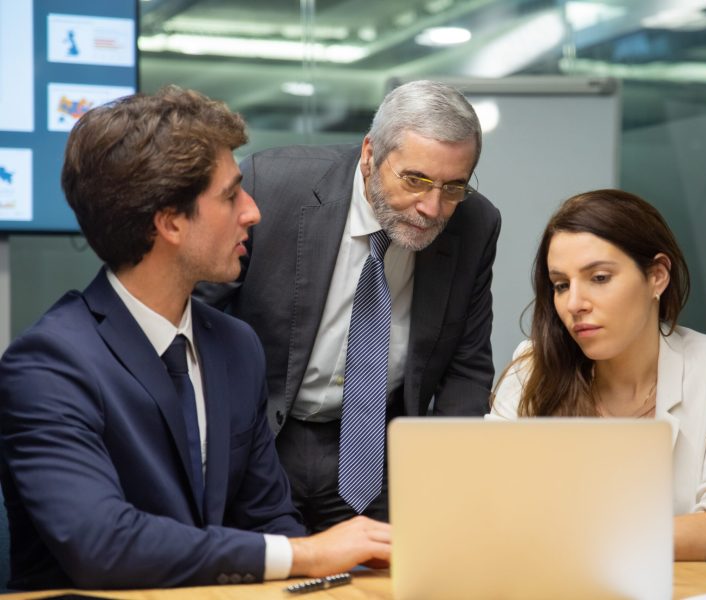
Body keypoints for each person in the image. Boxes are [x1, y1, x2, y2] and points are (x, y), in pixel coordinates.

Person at [0, 86, 390, 591]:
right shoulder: (48, 366)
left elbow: (270, 518)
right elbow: (102, 543)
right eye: (231, 195)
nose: (253, 211)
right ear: (170, 223)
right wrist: (306, 551)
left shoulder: (235, 346)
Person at [196, 80, 501, 531]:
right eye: (415, 180)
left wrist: (444, 483)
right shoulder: (272, 186)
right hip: (261, 437)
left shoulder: (475, 224)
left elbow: (466, 367)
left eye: (453, 187)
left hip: (374, 452)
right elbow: (198, 315)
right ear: (369, 154)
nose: (433, 208)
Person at [489, 189, 706, 570]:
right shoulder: (532, 367)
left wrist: (588, 538)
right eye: (561, 284)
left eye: (599, 277)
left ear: (657, 276)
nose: (574, 303)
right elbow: (486, 498)